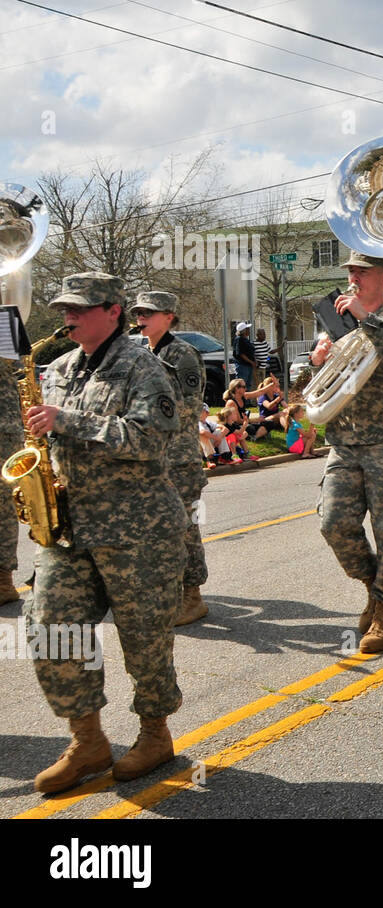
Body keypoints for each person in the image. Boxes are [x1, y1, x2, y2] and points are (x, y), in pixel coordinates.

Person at [24, 272, 188, 793]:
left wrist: (67, 421)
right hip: (70, 531)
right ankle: (88, 740)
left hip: (138, 531)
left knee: (145, 642)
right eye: (64, 308)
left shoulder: (144, 366)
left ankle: (154, 733)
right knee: (51, 629)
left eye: (81, 307)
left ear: (114, 310)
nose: (68, 316)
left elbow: (151, 439)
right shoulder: (57, 368)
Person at [310, 251, 383, 654]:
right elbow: (329, 380)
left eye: (361, 271)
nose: (353, 278)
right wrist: (317, 362)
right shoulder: (335, 320)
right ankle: (374, 588)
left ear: (382, 276)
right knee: (332, 524)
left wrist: (365, 318)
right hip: (345, 439)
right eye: (350, 272)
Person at [131, 291, 210, 625]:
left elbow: (191, 406)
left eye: (148, 312)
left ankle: (192, 597)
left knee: (185, 530)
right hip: (150, 459)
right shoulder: (141, 353)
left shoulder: (182, 354)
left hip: (179, 460)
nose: (140, 318)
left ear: (168, 316)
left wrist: (148, 415)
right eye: (137, 313)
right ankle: (167, 589)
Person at [0, 350, 23, 606]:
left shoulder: (4, 327)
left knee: (2, 505)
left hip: (2, 431)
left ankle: (3, 579)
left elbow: (14, 359)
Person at [233, 322, 256, 386]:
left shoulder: (245, 339)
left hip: (248, 366)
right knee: (241, 385)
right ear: (244, 331)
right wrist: (251, 362)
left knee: (247, 385)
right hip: (243, 366)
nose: (249, 330)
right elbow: (241, 354)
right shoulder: (239, 339)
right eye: (247, 329)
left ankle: (245, 396)